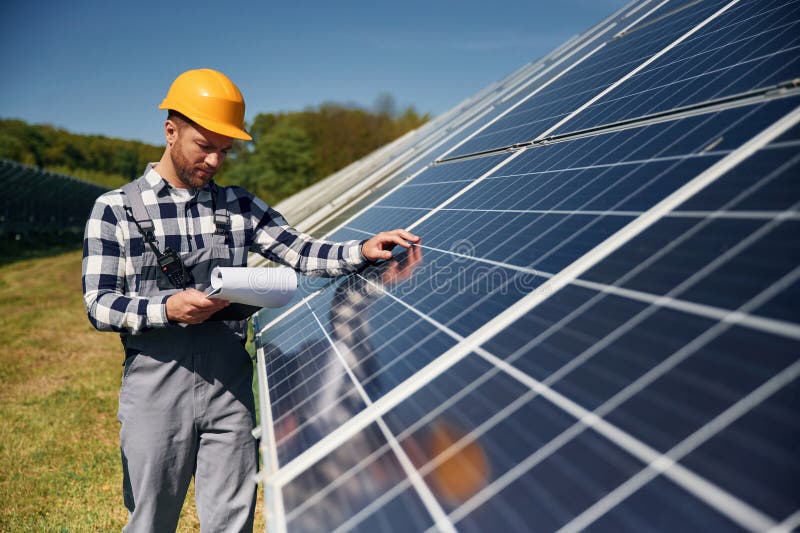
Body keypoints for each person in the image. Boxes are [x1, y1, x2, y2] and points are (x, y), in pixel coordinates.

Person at [81, 68, 420, 532]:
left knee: (232, 519)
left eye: (226, 150)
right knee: (151, 518)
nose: (216, 161)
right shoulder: (115, 209)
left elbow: (301, 251)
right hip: (156, 384)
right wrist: (166, 308)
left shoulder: (239, 206)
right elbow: (99, 304)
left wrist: (360, 251)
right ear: (170, 130)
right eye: (206, 146)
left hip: (229, 383)